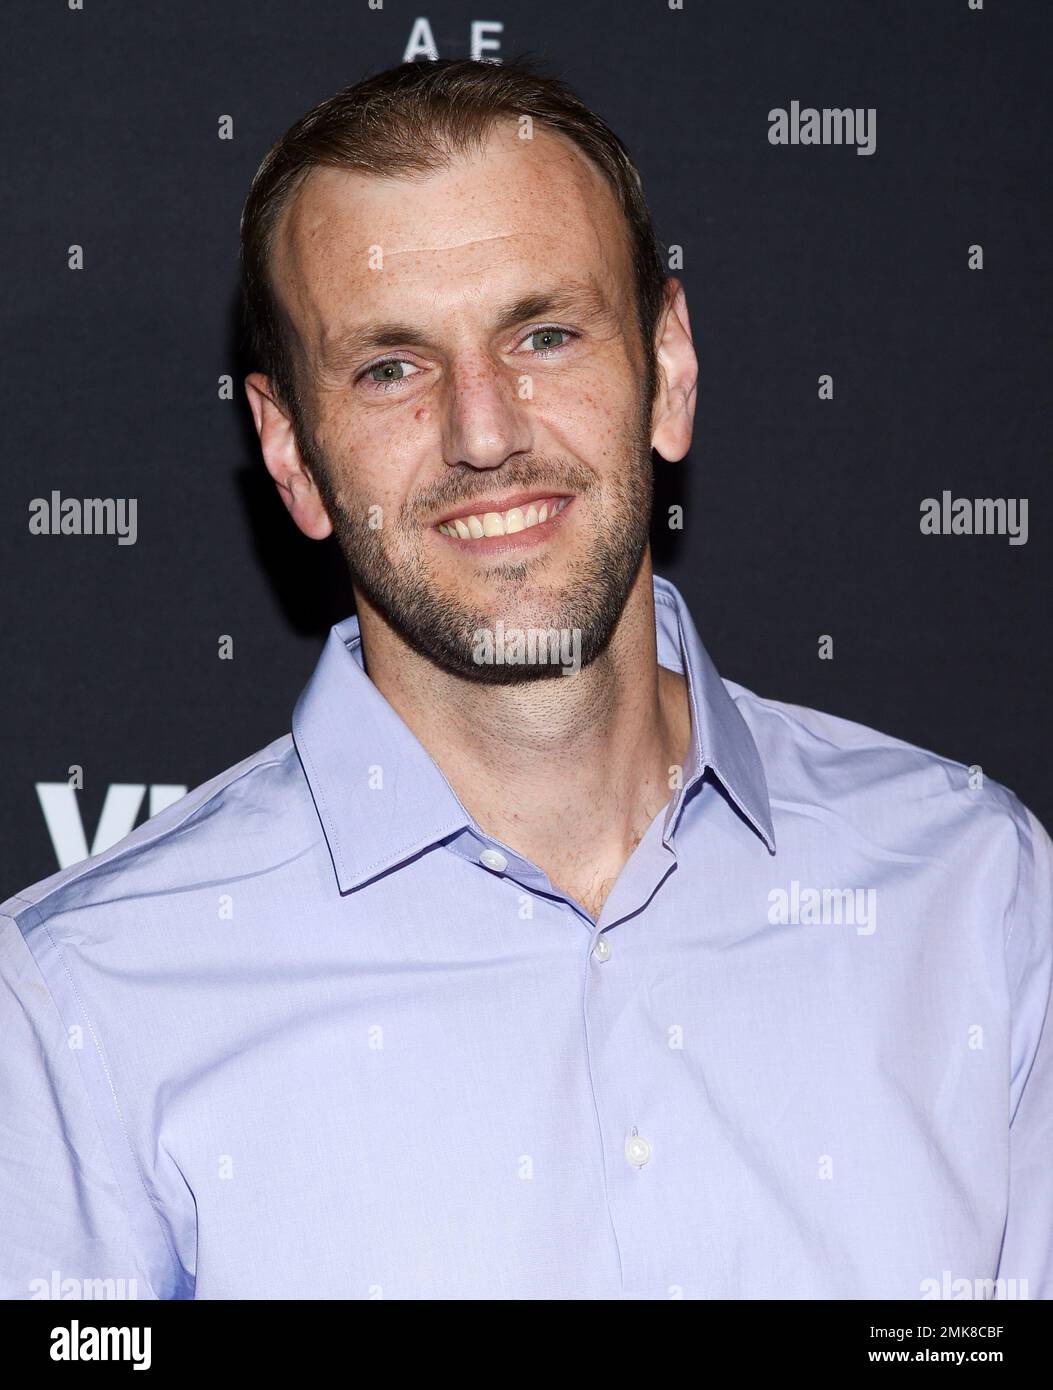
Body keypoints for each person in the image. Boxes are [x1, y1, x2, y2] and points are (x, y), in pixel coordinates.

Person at [1, 57, 1049, 1301]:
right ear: (288, 447)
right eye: (392, 367)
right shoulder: (78, 998)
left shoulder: (976, 899)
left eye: (543, 334)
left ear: (670, 366)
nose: (485, 431)